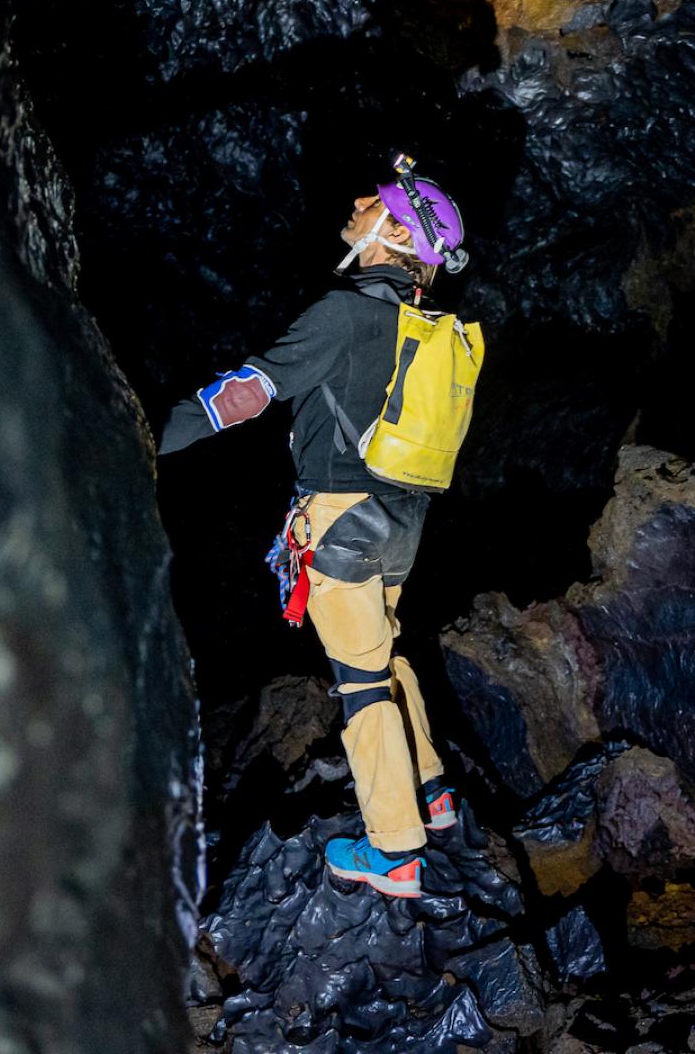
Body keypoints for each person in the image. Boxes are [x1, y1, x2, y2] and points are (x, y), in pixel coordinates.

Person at [156, 173, 469, 898]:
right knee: (386, 653)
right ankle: (435, 792)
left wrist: (141, 439)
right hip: (403, 524)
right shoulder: (428, 325)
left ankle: (396, 851)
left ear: (392, 234)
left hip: (341, 522)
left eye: (374, 203)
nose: (357, 202)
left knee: (360, 683)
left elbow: (241, 397)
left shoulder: (344, 315)